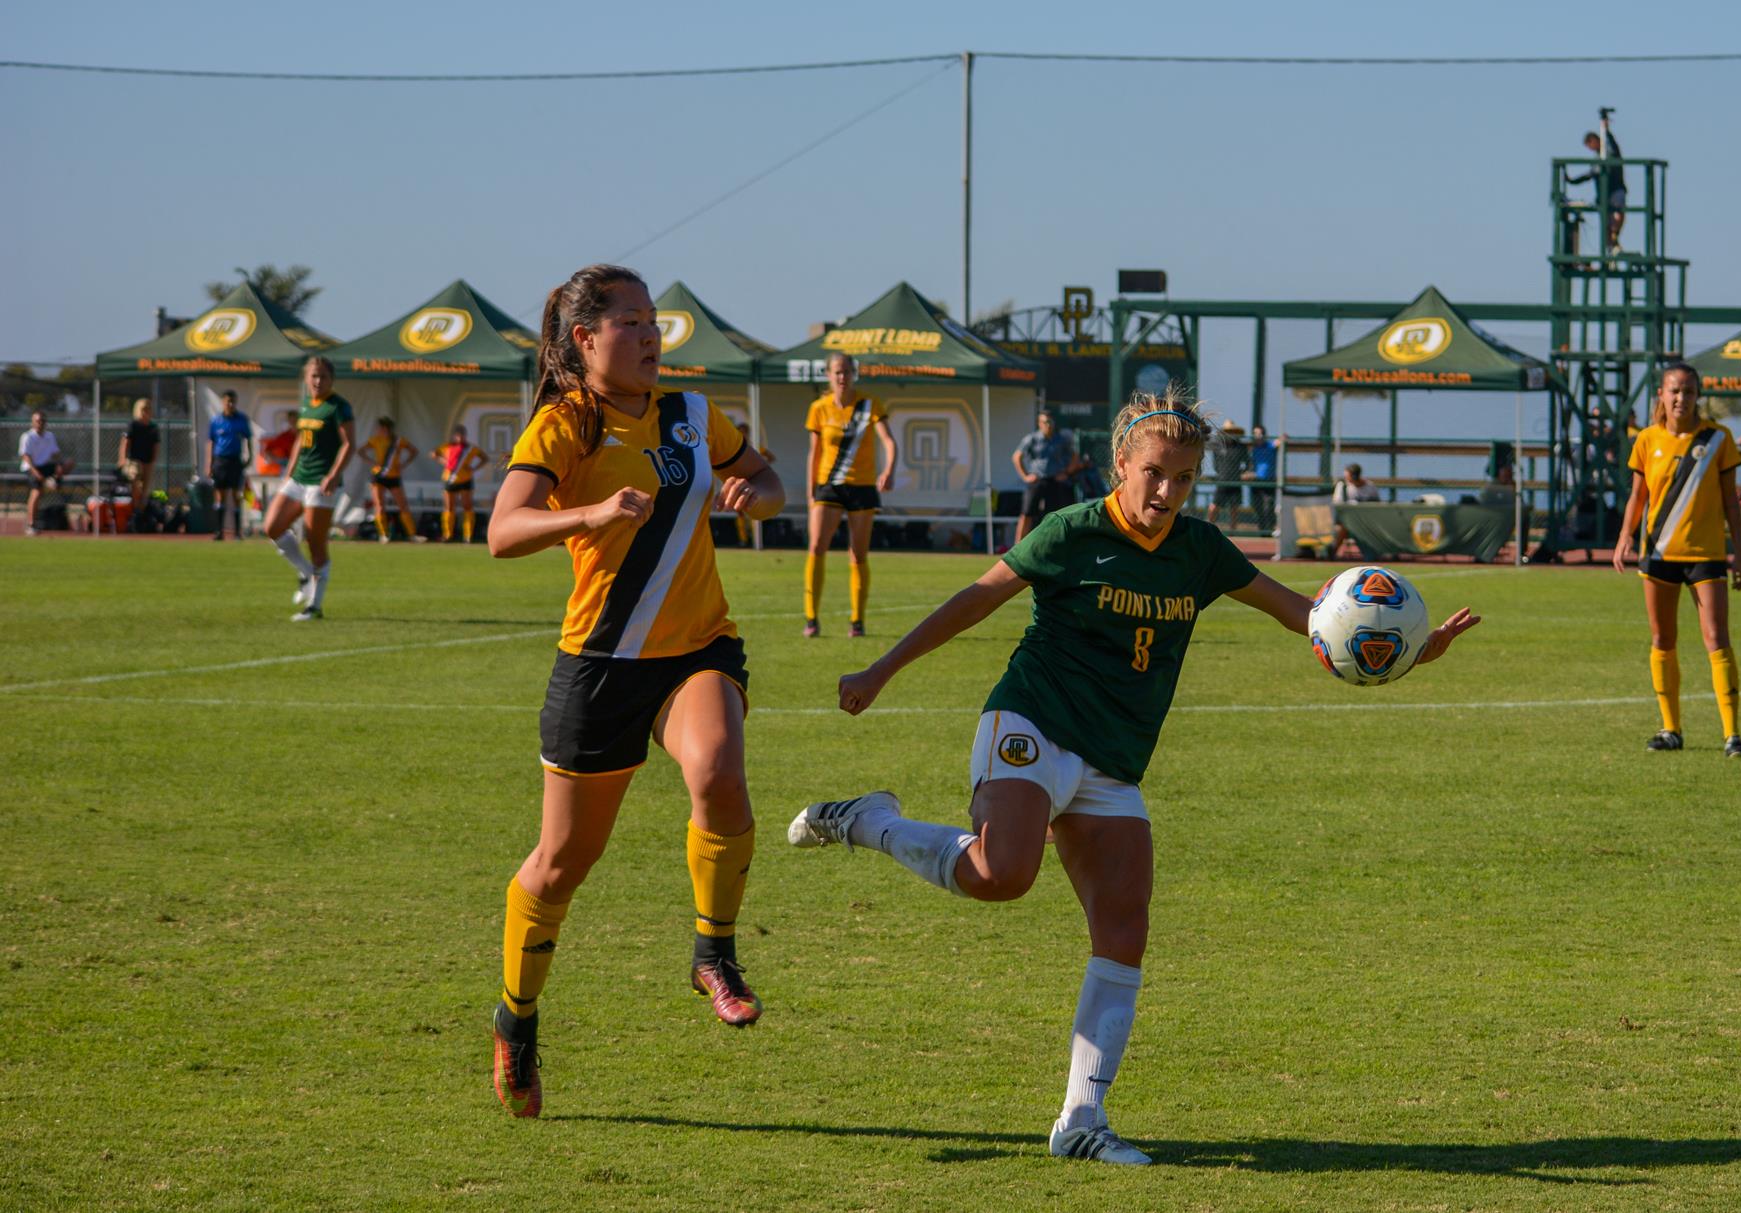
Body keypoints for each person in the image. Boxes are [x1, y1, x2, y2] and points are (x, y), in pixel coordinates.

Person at [787, 387, 1479, 1166]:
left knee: (1124, 926)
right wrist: (881, 669)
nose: (1166, 492)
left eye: (1184, 479)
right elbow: (974, 600)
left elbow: (1308, 616)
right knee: (1000, 875)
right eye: (1155, 472)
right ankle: (870, 821)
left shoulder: (1200, 549)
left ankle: (1082, 1118)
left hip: (1113, 757)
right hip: (1033, 723)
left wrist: (1405, 644)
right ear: (1121, 462)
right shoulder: (1072, 532)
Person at [485, 264, 784, 1120]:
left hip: (697, 649)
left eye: (656, 322)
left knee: (719, 769)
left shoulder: (692, 413)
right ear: (586, 340)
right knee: (561, 864)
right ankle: (518, 1016)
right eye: (633, 323)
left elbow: (767, 483)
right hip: (602, 666)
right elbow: (502, 532)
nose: (653, 336)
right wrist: (586, 516)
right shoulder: (566, 423)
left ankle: (713, 952)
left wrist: (753, 497)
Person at [1612, 362, 1741, 758]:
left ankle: (1732, 735)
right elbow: (1638, 497)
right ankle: (1670, 728)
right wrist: (1625, 536)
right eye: (1674, 391)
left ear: (1697, 396)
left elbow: (1730, 502)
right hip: (1657, 554)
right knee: (1662, 639)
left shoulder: (1718, 439)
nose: (1681, 398)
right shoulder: (1646, 440)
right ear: (1661, 395)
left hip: (1706, 555)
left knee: (1716, 639)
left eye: (1688, 391)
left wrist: (1739, 554)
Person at [803, 351, 897, 638]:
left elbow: (888, 441)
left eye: (846, 372)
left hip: (862, 487)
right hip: (828, 485)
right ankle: (811, 619)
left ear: (854, 374)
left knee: (858, 554)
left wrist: (890, 469)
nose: (842, 377)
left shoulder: (870, 404)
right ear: (828, 376)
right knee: (817, 546)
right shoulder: (818, 408)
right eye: (837, 372)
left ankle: (857, 621)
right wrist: (811, 495)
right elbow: (814, 453)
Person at [263, 356, 354, 621]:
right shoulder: (306, 405)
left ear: (331, 379)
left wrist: (334, 474)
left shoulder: (339, 407)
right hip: (299, 478)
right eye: (314, 376)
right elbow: (301, 441)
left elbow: (350, 444)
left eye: (323, 376)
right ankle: (305, 574)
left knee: (315, 543)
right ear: (306, 378)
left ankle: (314, 607)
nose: (318, 381)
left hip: (322, 482)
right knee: (272, 527)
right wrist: (289, 473)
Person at [1013, 407, 1080, 543]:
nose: (1047, 425)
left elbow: (1075, 457)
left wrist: (1066, 472)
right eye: (1044, 422)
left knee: (1054, 515)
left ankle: (1051, 545)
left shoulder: (1061, 439)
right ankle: (1017, 547)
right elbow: (1016, 457)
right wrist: (1025, 476)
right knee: (1026, 514)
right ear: (1039, 423)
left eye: (1050, 422)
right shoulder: (1032, 439)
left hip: (1055, 481)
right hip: (1037, 480)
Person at [1566, 112, 1627, 253]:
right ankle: (1612, 245)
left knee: (1618, 213)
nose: (1591, 148)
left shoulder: (1610, 152)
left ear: (1595, 141)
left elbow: (1614, 147)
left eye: (1590, 145)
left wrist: (1607, 130)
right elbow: (1589, 175)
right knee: (1606, 221)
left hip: (1616, 188)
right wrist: (1572, 181)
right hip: (1603, 195)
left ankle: (1614, 239)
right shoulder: (1597, 161)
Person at [362, 416, 421, 543]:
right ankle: (383, 535)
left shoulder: (398, 441)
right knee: (379, 505)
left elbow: (414, 451)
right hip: (378, 476)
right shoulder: (375, 440)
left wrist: (404, 464)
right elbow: (361, 451)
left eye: (382, 428)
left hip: (394, 476)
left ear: (387, 429)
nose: (379, 430)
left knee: (403, 505)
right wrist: (372, 462)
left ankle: (412, 534)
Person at [207, 390, 254, 540]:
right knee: (220, 497)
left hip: (235, 461)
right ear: (223, 402)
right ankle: (219, 531)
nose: (231, 404)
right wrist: (210, 464)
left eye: (233, 401)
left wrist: (250, 456)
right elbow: (211, 443)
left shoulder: (241, 420)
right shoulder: (216, 421)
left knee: (236, 496)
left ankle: (237, 532)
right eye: (228, 401)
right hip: (220, 461)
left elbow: (248, 439)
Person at [17, 410, 72, 536]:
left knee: (69, 462)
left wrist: (59, 466)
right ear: (32, 422)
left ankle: (53, 481)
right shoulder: (27, 437)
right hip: (31, 468)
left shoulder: (50, 436)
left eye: (42, 421)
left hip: (46, 467)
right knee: (36, 492)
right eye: (37, 421)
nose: (40, 423)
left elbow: (56, 454)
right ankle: (31, 525)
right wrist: (37, 474)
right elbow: (26, 458)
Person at [431, 424, 489, 544]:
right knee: (449, 507)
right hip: (449, 479)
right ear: (454, 436)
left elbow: (484, 458)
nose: (460, 438)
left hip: (465, 480)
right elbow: (433, 454)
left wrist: (473, 468)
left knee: (467, 507)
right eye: (458, 435)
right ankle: (448, 535)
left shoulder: (471, 448)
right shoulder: (447, 446)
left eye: (463, 435)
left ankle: (467, 536)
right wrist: (444, 461)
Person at [118, 399, 161, 513]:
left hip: (147, 461)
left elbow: (156, 445)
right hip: (134, 460)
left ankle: (141, 512)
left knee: (145, 488)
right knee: (135, 481)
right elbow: (125, 442)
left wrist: (153, 460)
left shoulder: (153, 427)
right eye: (143, 410)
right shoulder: (133, 425)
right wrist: (122, 459)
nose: (145, 412)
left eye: (148, 409)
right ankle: (135, 508)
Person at [1329, 462, 1379, 557]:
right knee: (1342, 527)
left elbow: (1377, 503)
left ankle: (1373, 553)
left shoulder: (1370, 486)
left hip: (1365, 520)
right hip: (1348, 520)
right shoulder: (1342, 486)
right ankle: (1333, 551)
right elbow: (1338, 504)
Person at [1205, 420, 1247, 527]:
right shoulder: (1219, 446)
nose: (1229, 434)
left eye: (1232, 431)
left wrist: (1241, 473)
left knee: (1234, 508)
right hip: (1222, 480)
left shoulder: (1240, 447)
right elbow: (1216, 465)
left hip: (1236, 481)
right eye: (1227, 431)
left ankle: (1233, 530)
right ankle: (1208, 527)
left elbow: (1247, 462)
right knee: (1214, 506)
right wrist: (1222, 473)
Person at [1246, 423, 1277, 531]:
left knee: (1268, 507)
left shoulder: (1270, 446)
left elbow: (1279, 442)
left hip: (1269, 481)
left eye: (1259, 433)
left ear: (1263, 435)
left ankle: (1270, 529)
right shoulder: (1253, 449)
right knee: (1258, 508)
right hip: (1256, 481)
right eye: (1255, 433)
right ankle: (1262, 529)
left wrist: (1284, 438)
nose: (1257, 436)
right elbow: (1250, 465)